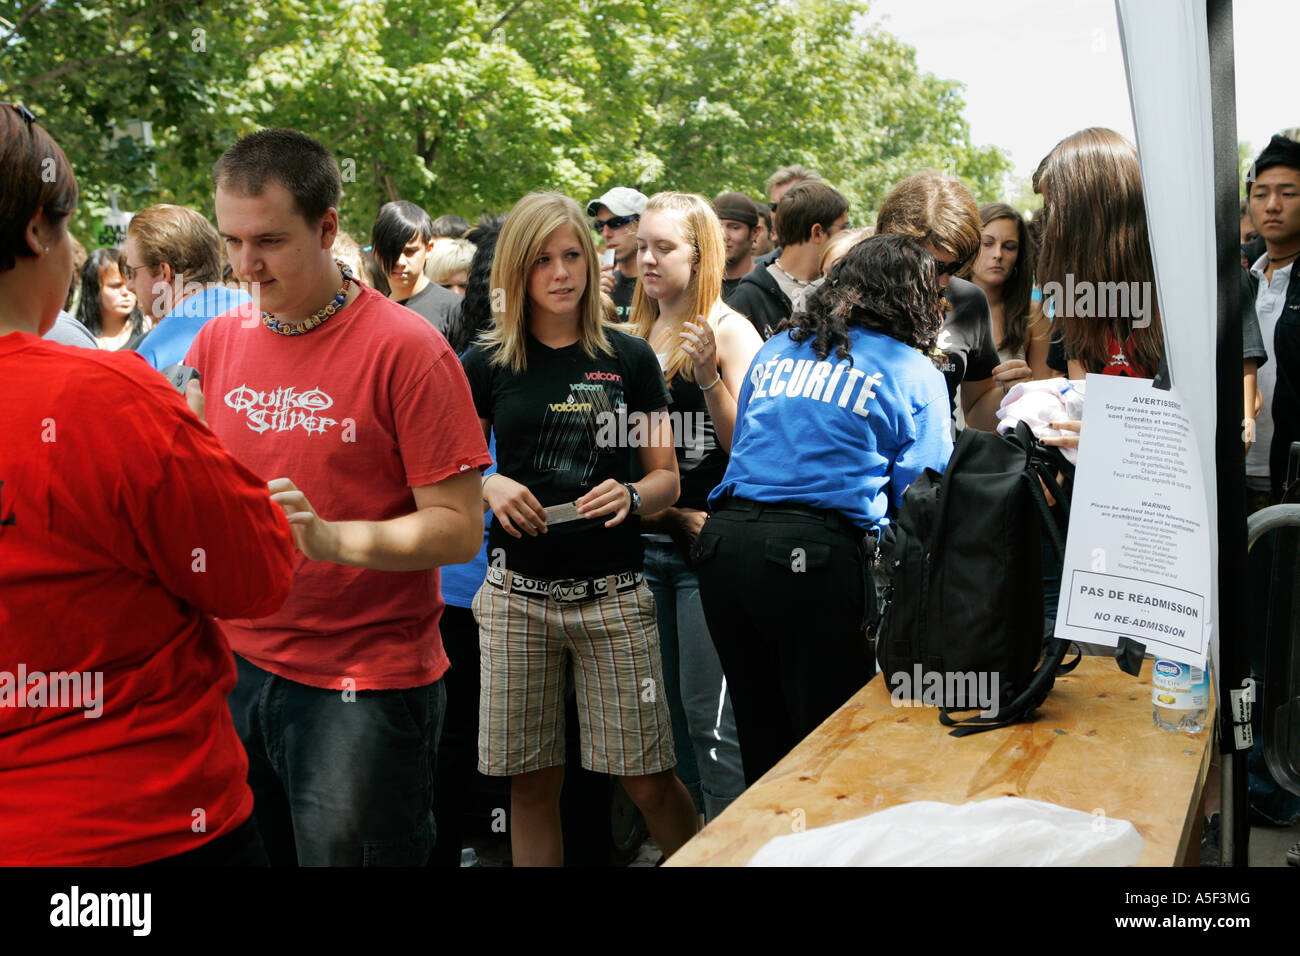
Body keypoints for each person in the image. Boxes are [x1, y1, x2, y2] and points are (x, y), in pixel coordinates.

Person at [186, 127, 491, 866]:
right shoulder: (220, 339)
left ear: (327, 229)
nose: (245, 265)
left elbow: (457, 529)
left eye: (268, 241)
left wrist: (328, 539)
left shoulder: (408, 350)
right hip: (234, 670)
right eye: (231, 240)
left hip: (363, 690)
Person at [0, 100, 294, 865]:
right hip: (144, 826)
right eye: (68, 231)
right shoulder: (107, 397)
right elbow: (256, 575)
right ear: (38, 230)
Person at [462, 191, 697, 866]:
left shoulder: (629, 357)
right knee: (531, 785)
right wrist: (488, 482)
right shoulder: (486, 364)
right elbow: (448, 471)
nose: (561, 272)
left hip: (616, 597)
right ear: (516, 269)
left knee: (648, 777)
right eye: (542, 260)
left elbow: (667, 480)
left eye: (572, 256)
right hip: (515, 602)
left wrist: (629, 493)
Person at [693, 234, 954, 785]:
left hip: (724, 548)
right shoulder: (914, 370)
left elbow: (748, 446)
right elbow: (925, 495)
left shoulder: (778, 347)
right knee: (830, 748)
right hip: (811, 559)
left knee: (763, 741)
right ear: (913, 299)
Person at [629, 192, 765, 821]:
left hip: (705, 550)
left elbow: (753, 447)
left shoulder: (733, 330)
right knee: (662, 725)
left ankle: (731, 845)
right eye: (642, 246)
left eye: (664, 247)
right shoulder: (630, 331)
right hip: (637, 545)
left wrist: (709, 374)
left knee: (712, 722)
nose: (647, 259)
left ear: (700, 252)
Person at [876, 170, 1002, 430]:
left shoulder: (967, 300)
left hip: (937, 462)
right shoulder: (837, 297)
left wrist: (1011, 392)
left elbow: (978, 411)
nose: (943, 282)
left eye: (953, 268)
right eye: (930, 268)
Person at [123, 203, 252, 371]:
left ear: (164, 273)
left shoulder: (156, 349)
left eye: (131, 272)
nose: (129, 285)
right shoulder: (261, 310)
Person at [726, 181, 849, 339]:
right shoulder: (747, 299)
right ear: (817, 232)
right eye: (843, 228)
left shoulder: (841, 288)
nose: (847, 236)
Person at [970, 203, 1051, 387]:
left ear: (1019, 256)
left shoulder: (1033, 315)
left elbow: (1045, 394)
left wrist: (1026, 384)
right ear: (970, 244)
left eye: (1009, 246)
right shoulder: (941, 305)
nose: (997, 254)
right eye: (988, 243)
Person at [371, 199, 463, 333]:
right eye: (392, 252)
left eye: (410, 252)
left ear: (429, 248)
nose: (400, 262)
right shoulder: (371, 313)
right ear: (376, 252)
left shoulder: (456, 309)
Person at [588, 186, 647, 321]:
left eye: (616, 222)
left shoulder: (660, 286)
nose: (605, 233)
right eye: (600, 226)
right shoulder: (602, 287)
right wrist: (594, 306)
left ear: (642, 223)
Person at [75, 247, 146, 350]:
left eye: (130, 283)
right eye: (115, 285)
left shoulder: (148, 332)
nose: (126, 292)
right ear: (94, 290)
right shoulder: (78, 337)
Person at [713, 191, 758, 298]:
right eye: (716, 227)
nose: (723, 236)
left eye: (734, 227)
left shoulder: (766, 285)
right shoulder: (696, 285)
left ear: (755, 233)